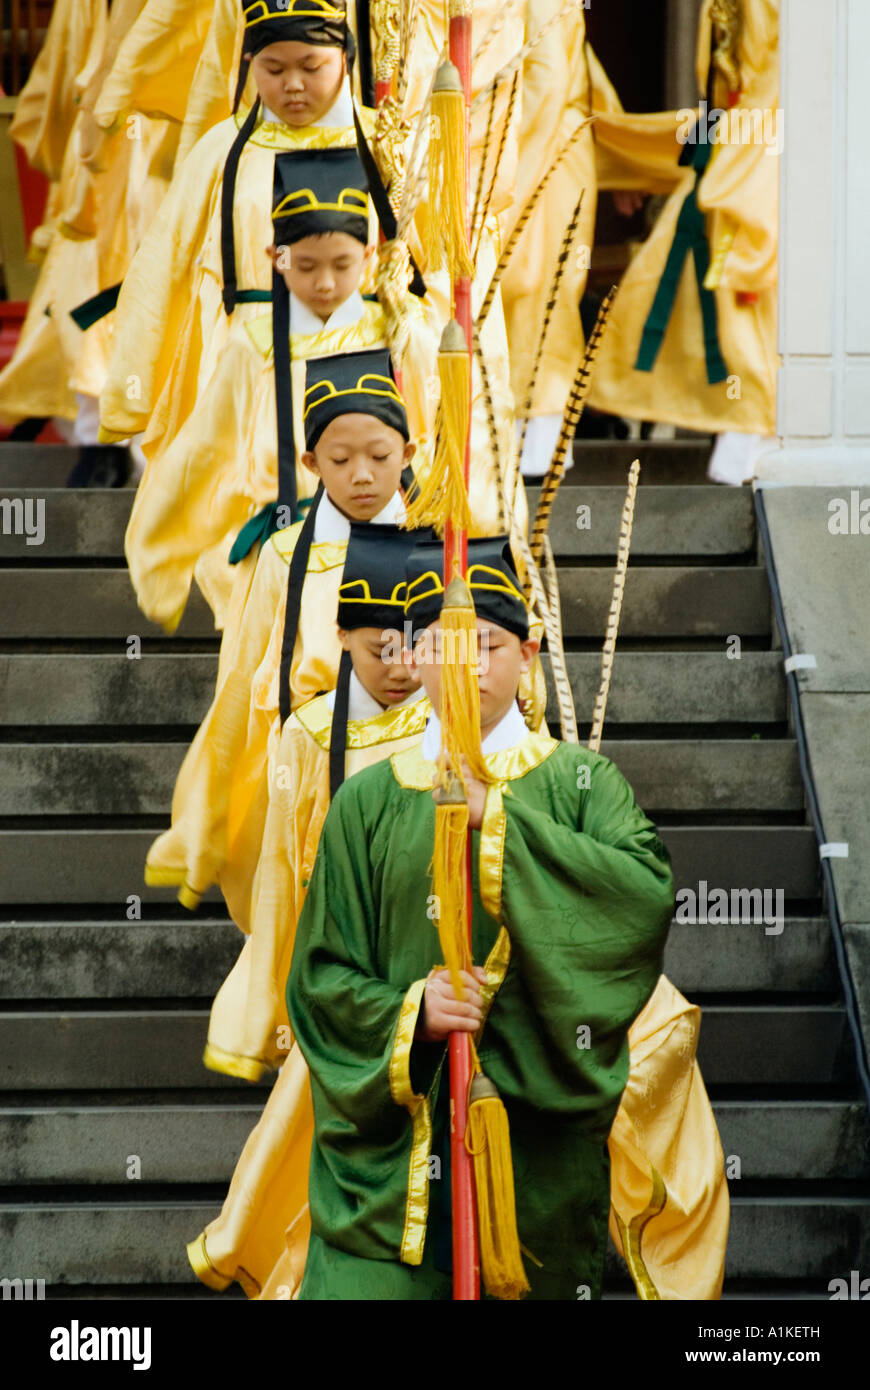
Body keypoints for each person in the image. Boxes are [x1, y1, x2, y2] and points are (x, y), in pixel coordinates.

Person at [286, 535, 677, 1299]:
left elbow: (640, 900)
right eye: (440, 645)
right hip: (391, 1167)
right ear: (414, 656)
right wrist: (411, 1012)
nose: (464, 666)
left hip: (534, 1153)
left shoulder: (583, 784)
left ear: (526, 655)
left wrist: (494, 817)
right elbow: (319, 979)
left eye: (487, 645)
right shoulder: (366, 801)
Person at [144, 347, 416, 925]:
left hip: (421, 756)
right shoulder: (285, 555)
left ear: (409, 453)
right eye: (340, 459)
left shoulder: (442, 546)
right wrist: (216, 798)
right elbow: (245, 678)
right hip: (315, 760)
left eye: (379, 454)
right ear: (312, 463)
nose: (361, 474)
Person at [121, 147, 437, 632]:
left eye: (342, 264)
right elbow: (207, 446)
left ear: (370, 254)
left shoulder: (402, 330)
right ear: (276, 257)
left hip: (388, 545)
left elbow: (437, 432)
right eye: (306, 266)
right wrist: (160, 547)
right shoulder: (255, 343)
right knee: (273, 687)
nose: (326, 283)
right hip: (283, 543)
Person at [204, 522, 431, 1079]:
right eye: (381, 650)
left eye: (416, 647)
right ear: (342, 636)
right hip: (340, 958)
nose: (400, 668)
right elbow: (282, 868)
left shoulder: (453, 724)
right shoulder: (309, 732)